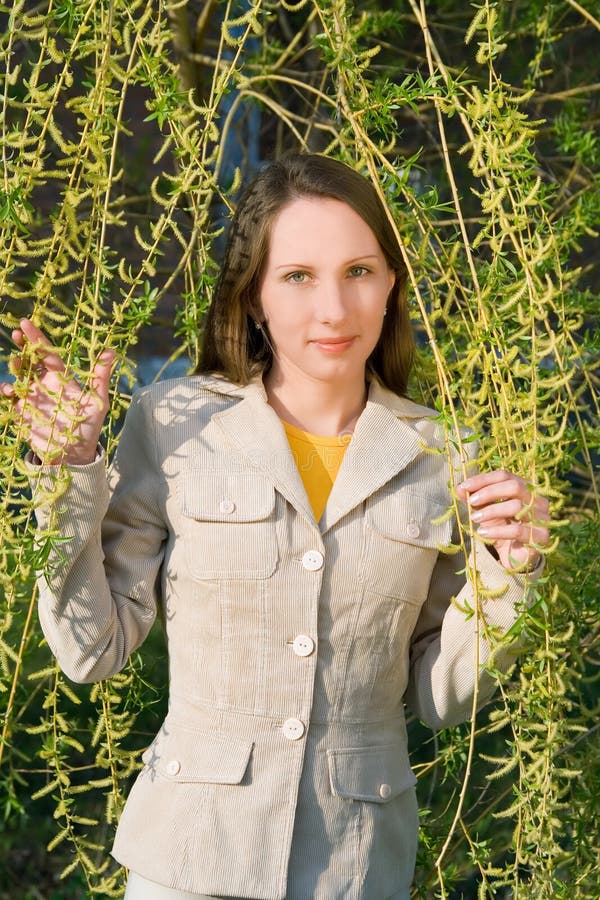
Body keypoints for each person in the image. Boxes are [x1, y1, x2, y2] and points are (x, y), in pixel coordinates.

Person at [2, 154, 550, 900]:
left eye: (359, 271)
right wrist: (66, 475)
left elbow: (440, 696)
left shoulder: (444, 458)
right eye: (297, 276)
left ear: (392, 285)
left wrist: (509, 575)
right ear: (254, 296)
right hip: (189, 864)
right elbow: (88, 650)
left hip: (357, 870)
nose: (333, 308)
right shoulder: (173, 424)